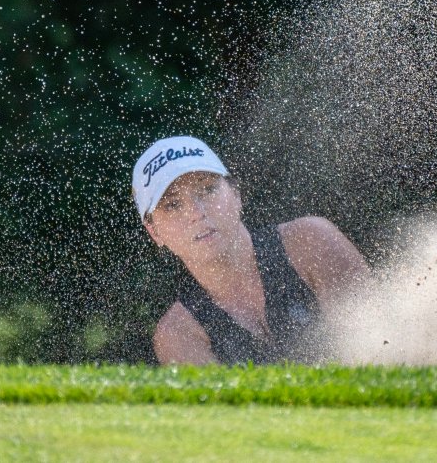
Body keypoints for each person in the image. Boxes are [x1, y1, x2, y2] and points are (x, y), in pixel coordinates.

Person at [133, 135, 369, 364]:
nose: (197, 213)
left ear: (236, 194)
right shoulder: (179, 334)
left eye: (207, 189)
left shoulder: (311, 242)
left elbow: (377, 349)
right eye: (173, 204)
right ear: (154, 232)